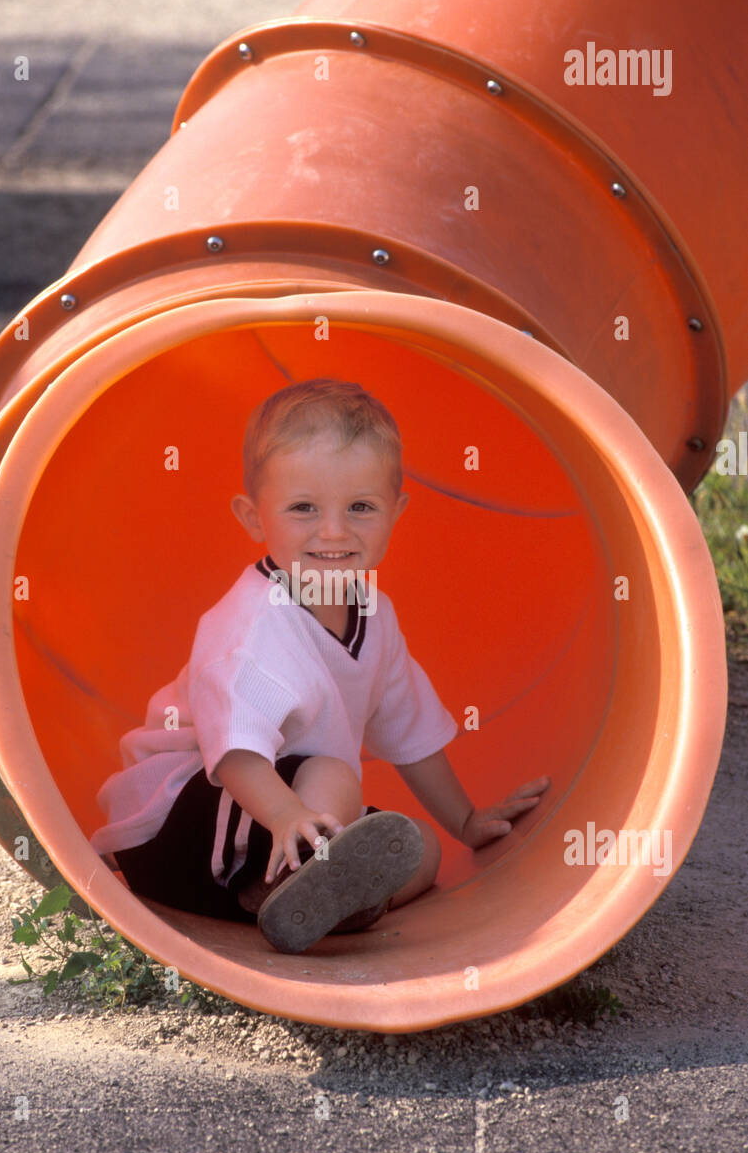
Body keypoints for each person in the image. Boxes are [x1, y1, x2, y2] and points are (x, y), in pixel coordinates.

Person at [90, 377, 550, 953]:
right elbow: (233, 752)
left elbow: (411, 730)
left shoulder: (375, 616)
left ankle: (315, 901)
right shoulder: (252, 625)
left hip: (276, 827)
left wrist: (465, 821)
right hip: (182, 826)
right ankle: (300, 879)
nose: (334, 531)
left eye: (360, 507)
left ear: (396, 512)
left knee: (419, 848)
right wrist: (285, 816)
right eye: (303, 508)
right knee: (333, 773)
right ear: (254, 518)